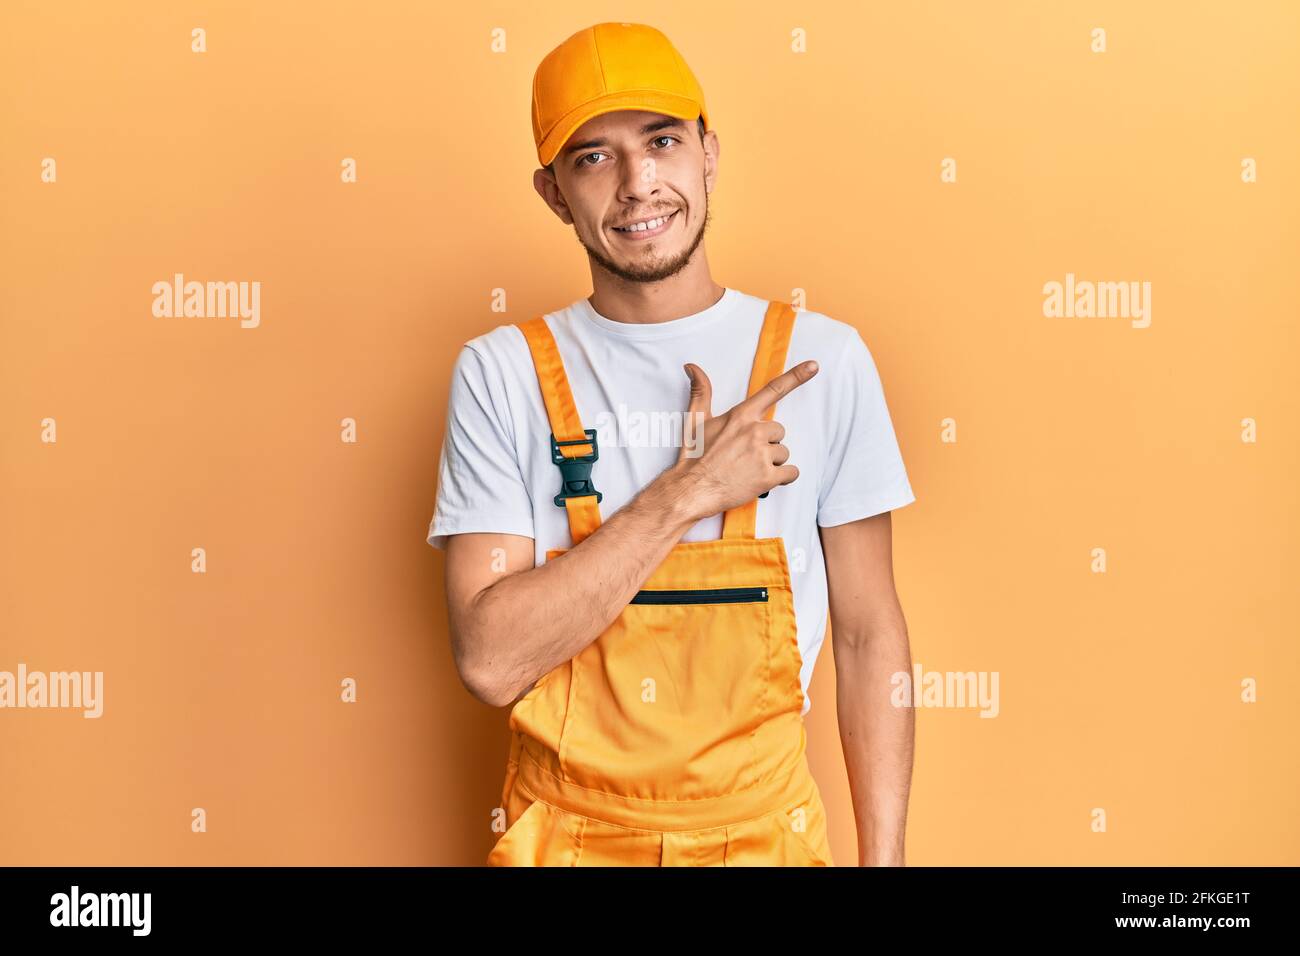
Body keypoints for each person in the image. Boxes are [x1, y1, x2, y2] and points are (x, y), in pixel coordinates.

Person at [428, 22, 916, 866]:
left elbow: (870, 636)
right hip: (562, 844)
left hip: (767, 842)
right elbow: (492, 660)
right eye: (594, 157)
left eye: (661, 142)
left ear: (708, 156)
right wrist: (687, 491)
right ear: (552, 192)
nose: (638, 184)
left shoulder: (824, 362)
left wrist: (887, 863)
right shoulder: (501, 375)